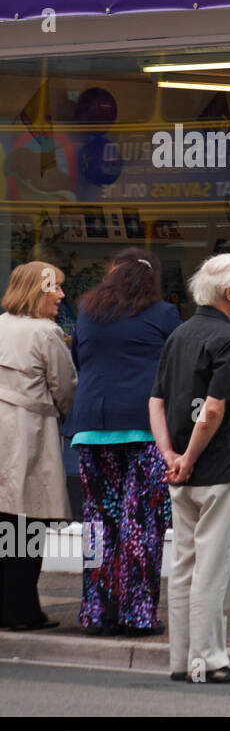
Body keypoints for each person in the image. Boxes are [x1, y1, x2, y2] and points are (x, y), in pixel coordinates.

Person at [149, 252, 230, 684]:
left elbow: (156, 400)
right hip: (221, 469)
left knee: (185, 567)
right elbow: (212, 411)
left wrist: (171, 457)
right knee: (216, 569)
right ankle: (210, 659)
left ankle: (182, 659)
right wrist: (189, 457)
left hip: (184, 472)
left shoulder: (178, 335)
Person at [66, 248, 181, 636]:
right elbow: (175, 368)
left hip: (91, 426)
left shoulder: (87, 312)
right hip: (144, 427)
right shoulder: (164, 314)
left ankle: (97, 611)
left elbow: (80, 360)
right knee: (142, 522)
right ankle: (137, 614)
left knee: (98, 523)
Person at [0, 261, 77, 631]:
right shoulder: (46, 333)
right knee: (26, 525)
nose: (61, 295)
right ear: (38, 290)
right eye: (55, 288)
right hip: (29, 435)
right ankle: (21, 611)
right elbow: (66, 387)